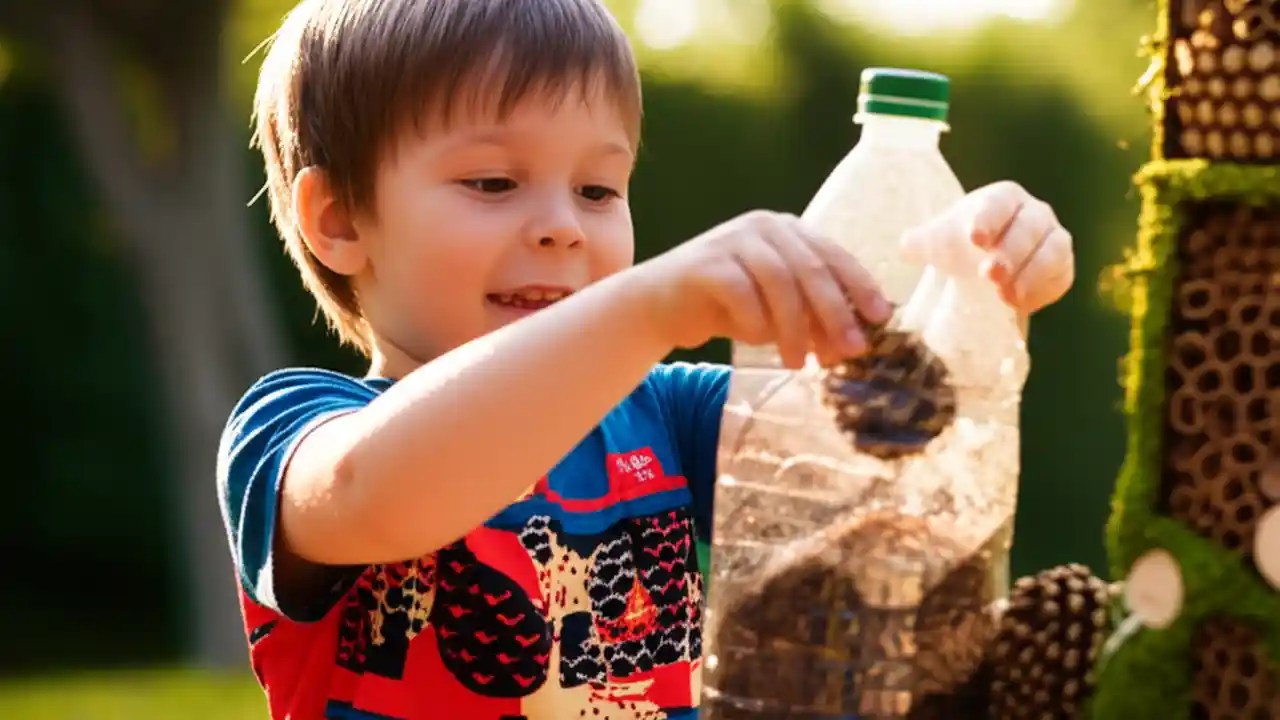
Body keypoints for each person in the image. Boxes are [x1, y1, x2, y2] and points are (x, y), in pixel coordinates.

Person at [216, 0, 1076, 717]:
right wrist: (645, 308)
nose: (563, 225)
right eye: (492, 182)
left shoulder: (667, 414)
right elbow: (379, 492)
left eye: (597, 190)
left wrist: (983, 280)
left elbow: (888, 459)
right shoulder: (294, 427)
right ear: (338, 219)